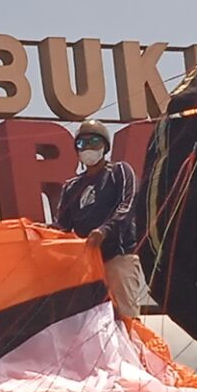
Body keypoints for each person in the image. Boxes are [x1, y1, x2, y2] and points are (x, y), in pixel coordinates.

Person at [53, 118, 143, 322]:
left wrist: (105, 230)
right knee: (89, 322)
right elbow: (63, 226)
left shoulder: (119, 172)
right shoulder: (72, 187)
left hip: (117, 258)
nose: (88, 148)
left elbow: (126, 206)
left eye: (94, 142)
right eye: (82, 144)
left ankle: (132, 353)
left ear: (105, 146)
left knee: (125, 316)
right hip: (86, 264)